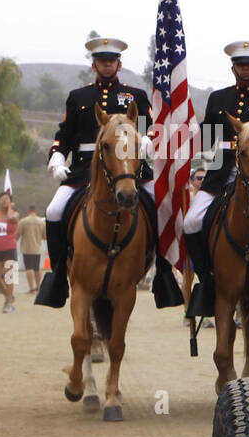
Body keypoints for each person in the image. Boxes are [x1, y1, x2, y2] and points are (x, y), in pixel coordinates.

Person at [37, 36, 184, 310]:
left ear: (119, 63)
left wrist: (149, 139)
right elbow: (64, 136)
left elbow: (152, 126)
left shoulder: (136, 96)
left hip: (129, 169)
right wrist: (57, 158)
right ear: (94, 65)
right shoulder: (78, 97)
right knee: (54, 211)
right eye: (102, 61)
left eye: (111, 61)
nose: (107, 65)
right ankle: (57, 275)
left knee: (161, 210)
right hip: (84, 170)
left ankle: (163, 275)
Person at [182, 41, 249, 318]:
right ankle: (208, 281)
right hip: (221, 170)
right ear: (233, 67)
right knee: (191, 221)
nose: (246, 68)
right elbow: (208, 138)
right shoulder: (218, 98)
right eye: (241, 64)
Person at [0, 192, 20, 313]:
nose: (4, 201)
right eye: (2, 199)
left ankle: (9, 303)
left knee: (9, 275)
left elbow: (12, 219)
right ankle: (8, 296)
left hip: (10, 248)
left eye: (7, 199)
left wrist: (10, 208)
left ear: (10, 202)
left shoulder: (14, 214)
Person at [17, 205, 46, 295]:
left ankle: (31, 289)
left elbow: (17, 235)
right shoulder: (41, 222)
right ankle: (38, 287)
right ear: (35, 211)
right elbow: (45, 237)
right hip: (37, 248)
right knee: (37, 269)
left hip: (26, 248)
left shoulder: (23, 221)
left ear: (28, 211)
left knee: (29, 268)